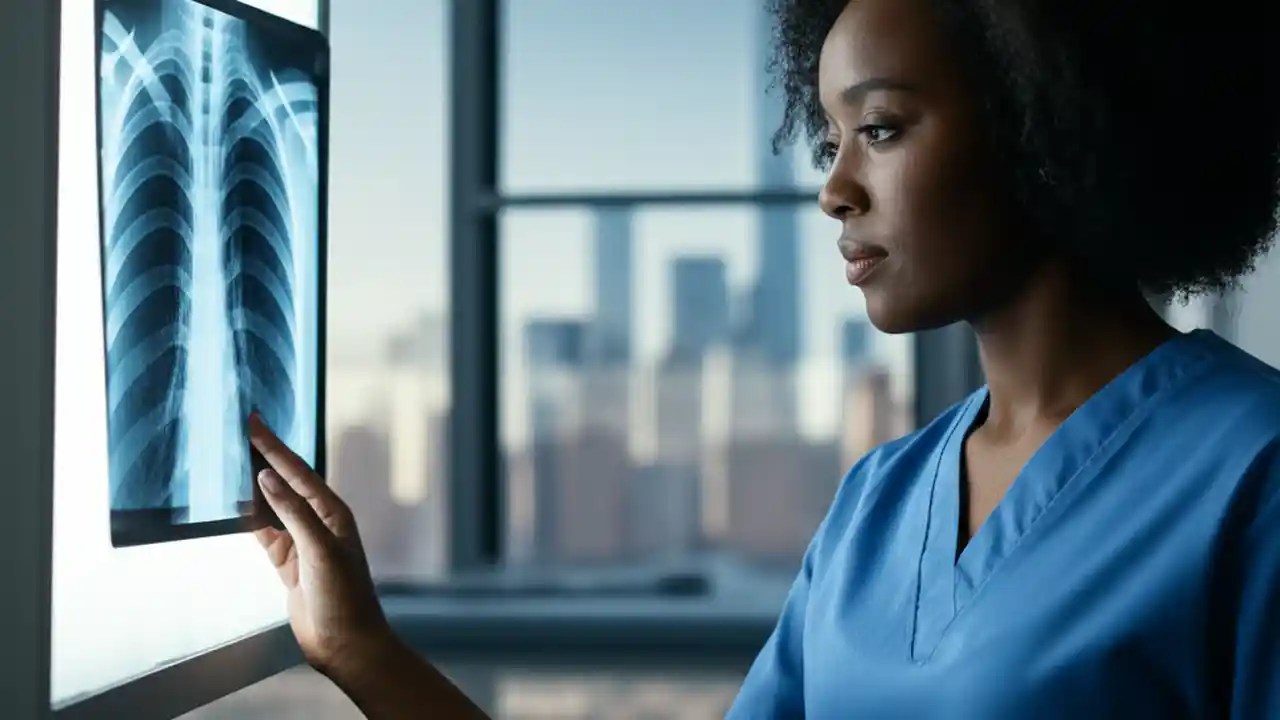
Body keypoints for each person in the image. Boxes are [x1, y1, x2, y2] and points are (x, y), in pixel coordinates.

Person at [248, 0, 1280, 716]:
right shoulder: (878, 501)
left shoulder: (1251, 472)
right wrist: (360, 651)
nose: (833, 188)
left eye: (878, 128)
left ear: (1041, 119)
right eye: (828, 137)